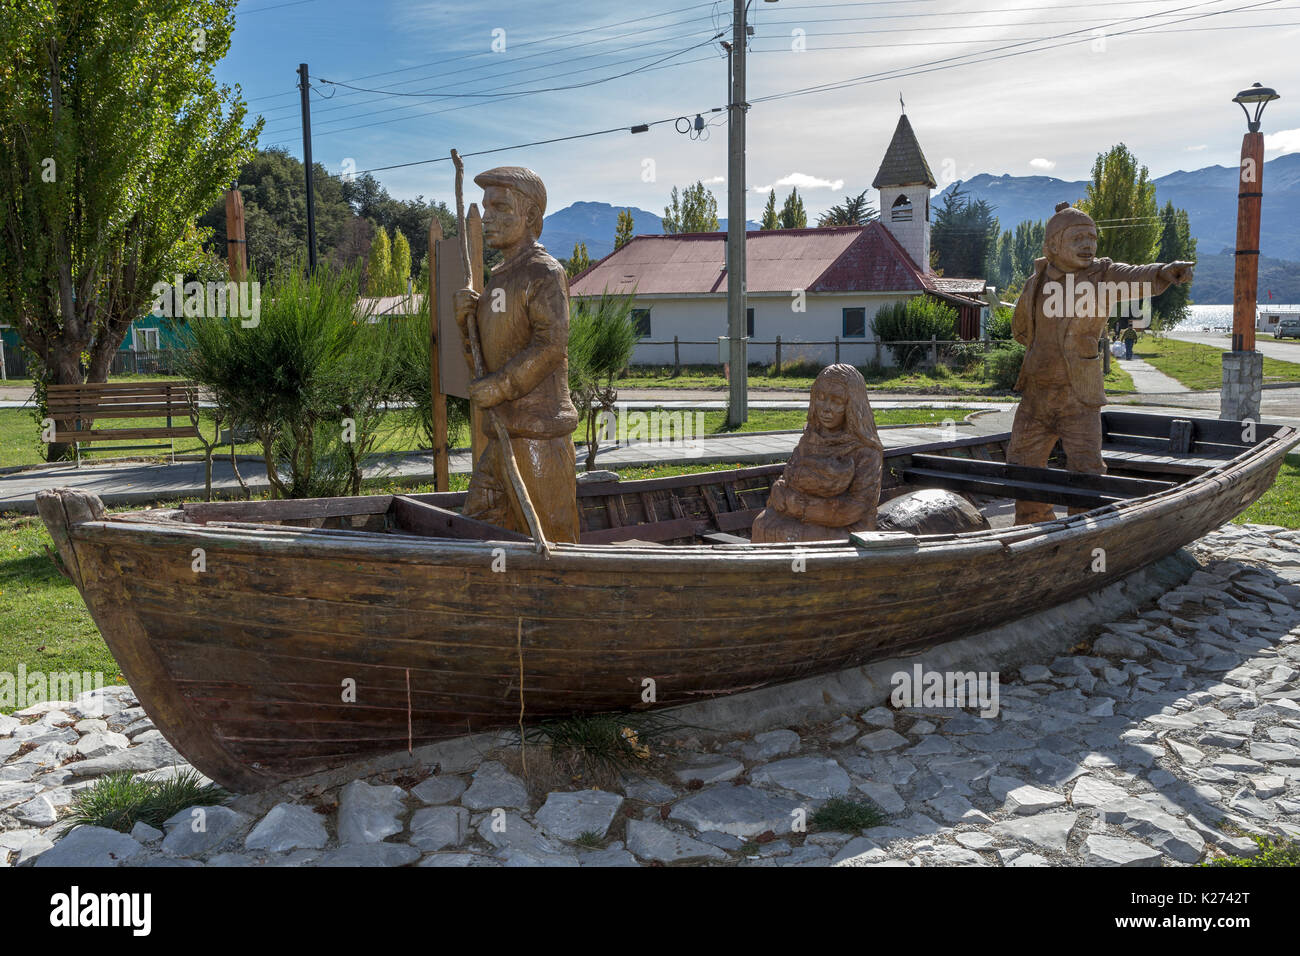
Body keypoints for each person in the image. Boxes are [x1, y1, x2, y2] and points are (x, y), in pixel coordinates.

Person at [1007, 202, 1194, 525]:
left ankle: (1084, 532)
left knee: (1086, 468)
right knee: (1021, 462)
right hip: (1035, 395)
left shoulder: (1102, 276)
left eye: (1092, 238)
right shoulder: (1035, 281)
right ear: (1052, 245)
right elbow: (1022, 329)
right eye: (1078, 238)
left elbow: (1135, 275)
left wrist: (1163, 271)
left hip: (1078, 397)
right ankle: (1032, 523)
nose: (1088, 245)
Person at [453, 166, 581, 542]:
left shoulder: (543, 274)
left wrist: (503, 385)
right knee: (478, 529)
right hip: (502, 436)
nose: (487, 216)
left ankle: (564, 597)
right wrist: (468, 323)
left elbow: (551, 345)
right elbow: (483, 363)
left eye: (500, 207)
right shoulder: (499, 279)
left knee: (552, 538)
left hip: (537, 436)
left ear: (530, 217)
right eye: (485, 207)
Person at [751, 364, 884, 543]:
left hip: (847, 528)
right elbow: (789, 477)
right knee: (762, 524)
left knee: (796, 536)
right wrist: (779, 491)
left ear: (852, 405)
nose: (826, 408)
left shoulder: (865, 451)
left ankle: (793, 570)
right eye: (821, 398)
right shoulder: (810, 439)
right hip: (800, 516)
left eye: (836, 401)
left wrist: (804, 508)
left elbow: (857, 506)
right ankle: (764, 570)